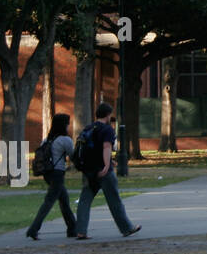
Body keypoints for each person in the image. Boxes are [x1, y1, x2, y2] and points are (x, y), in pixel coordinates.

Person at [74, 103, 142, 239]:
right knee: (114, 200)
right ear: (108, 115)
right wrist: (106, 165)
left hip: (89, 170)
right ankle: (126, 228)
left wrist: (109, 161)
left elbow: (92, 150)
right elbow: (106, 148)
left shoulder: (88, 128)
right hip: (103, 170)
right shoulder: (107, 129)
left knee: (85, 200)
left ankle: (81, 231)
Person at [26, 112, 76, 240]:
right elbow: (73, 156)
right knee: (49, 202)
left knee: (64, 200)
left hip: (47, 173)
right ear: (63, 125)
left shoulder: (47, 139)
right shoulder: (65, 140)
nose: (68, 127)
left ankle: (72, 229)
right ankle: (33, 229)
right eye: (67, 124)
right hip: (58, 173)